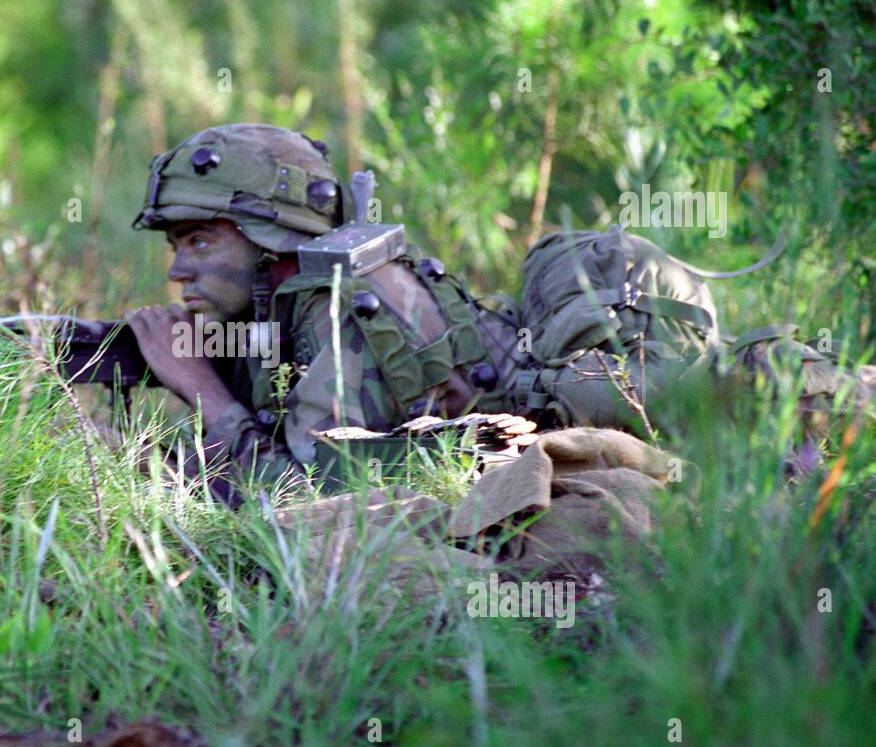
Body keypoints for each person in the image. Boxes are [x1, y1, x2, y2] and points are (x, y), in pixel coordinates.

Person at [123, 123, 873, 496]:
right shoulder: (298, 300)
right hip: (532, 385)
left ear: (268, 237)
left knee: (758, 407)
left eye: (197, 240)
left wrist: (203, 390)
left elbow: (301, 493)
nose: (179, 267)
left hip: (586, 401)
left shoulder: (341, 308)